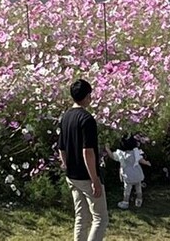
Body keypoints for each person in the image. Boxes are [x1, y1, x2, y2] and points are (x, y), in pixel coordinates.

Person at [57, 78, 107, 241]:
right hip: (86, 176)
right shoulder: (86, 119)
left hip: (72, 175)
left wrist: (66, 165)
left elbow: (61, 147)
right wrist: (95, 179)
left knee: (82, 217)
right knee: (100, 218)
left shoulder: (66, 117)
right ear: (86, 96)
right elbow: (88, 152)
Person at [109, 134, 148, 209]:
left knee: (127, 189)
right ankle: (139, 201)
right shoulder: (135, 152)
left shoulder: (121, 154)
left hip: (128, 175)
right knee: (138, 187)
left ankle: (125, 202)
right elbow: (141, 159)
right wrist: (146, 162)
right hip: (137, 173)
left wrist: (108, 149)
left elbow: (112, 156)